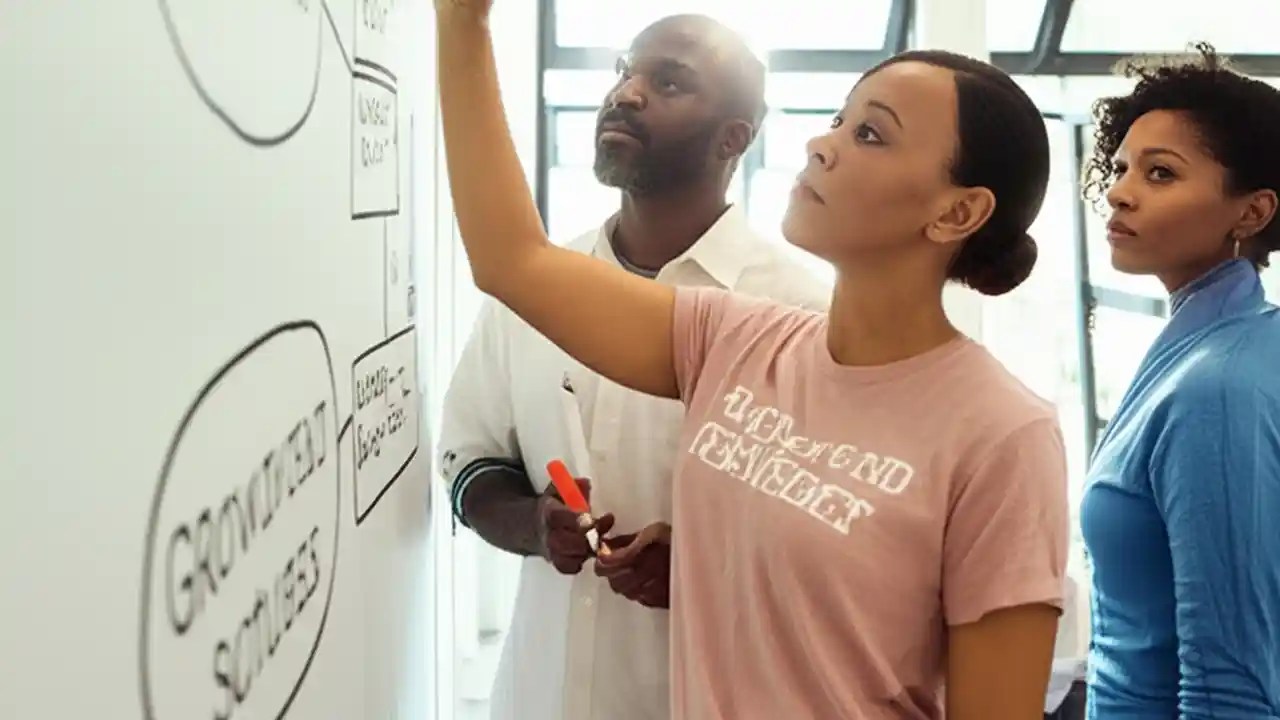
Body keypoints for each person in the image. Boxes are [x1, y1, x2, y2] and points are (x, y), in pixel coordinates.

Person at [433, 2, 1071, 717]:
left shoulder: (1003, 435)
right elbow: (512, 261)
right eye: (836, 120)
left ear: (956, 213)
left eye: (869, 134)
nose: (821, 146)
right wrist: (465, 25)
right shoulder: (732, 338)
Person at [437, 14, 829, 720]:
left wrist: (704, 572)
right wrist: (532, 523)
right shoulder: (537, 292)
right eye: (624, 71)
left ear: (733, 138)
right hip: (538, 696)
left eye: (668, 81)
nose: (627, 93)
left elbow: (838, 547)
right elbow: (470, 462)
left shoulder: (800, 314)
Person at [1079, 43, 1280, 718]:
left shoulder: (1216, 386)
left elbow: (1231, 682)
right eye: (1122, 167)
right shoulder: (1219, 346)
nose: (1119, 190)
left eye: (1160, 174)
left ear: (1250, 214)